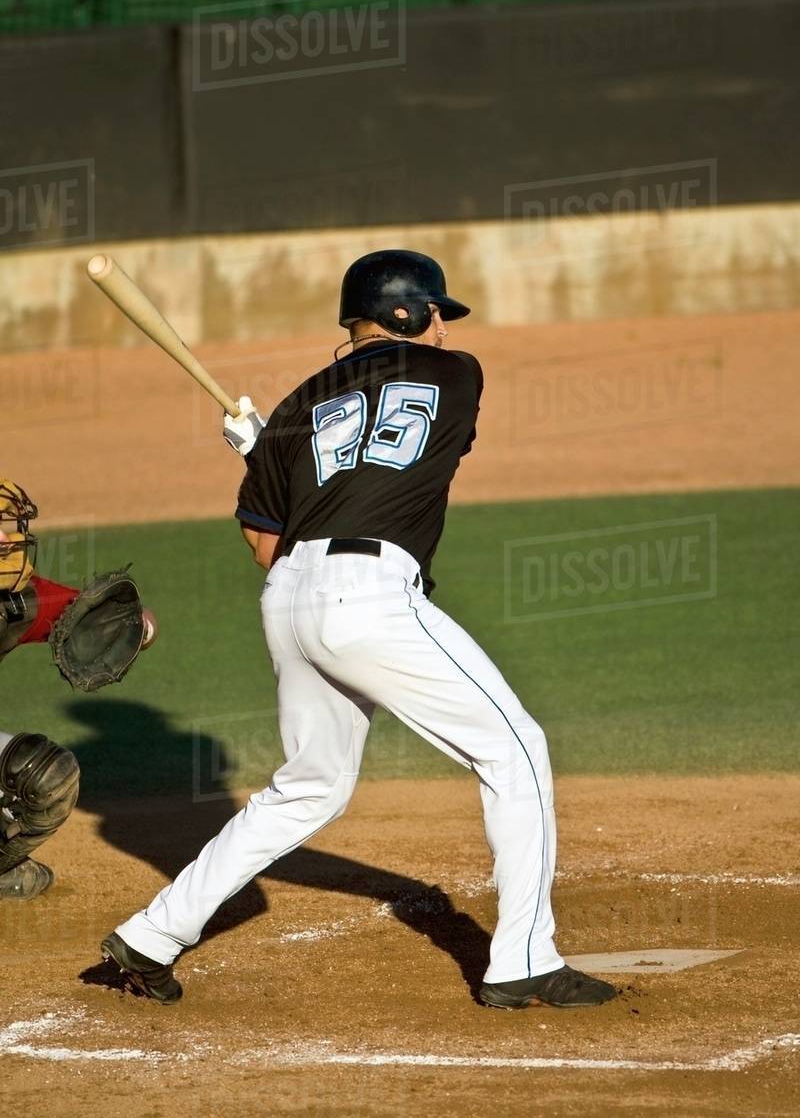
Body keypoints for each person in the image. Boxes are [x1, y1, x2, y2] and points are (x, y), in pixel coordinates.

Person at [102, 250, 616, 1012]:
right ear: (409, 314)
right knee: (516, 750)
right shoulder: (458, 376)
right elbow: (399, 451)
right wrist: (276, 447)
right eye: (437, 312)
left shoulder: (297, 406)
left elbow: (266, 546)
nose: (444, 327)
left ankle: (152, 936)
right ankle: (525, 960)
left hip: (290, 603)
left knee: (308, 787)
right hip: (369, 597)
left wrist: (269, 449)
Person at [0, 479, 156, 899]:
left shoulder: (11, 601)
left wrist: (138, 625)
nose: (7, 540)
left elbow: (84, 611)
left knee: (45, 775)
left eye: (8, 527)